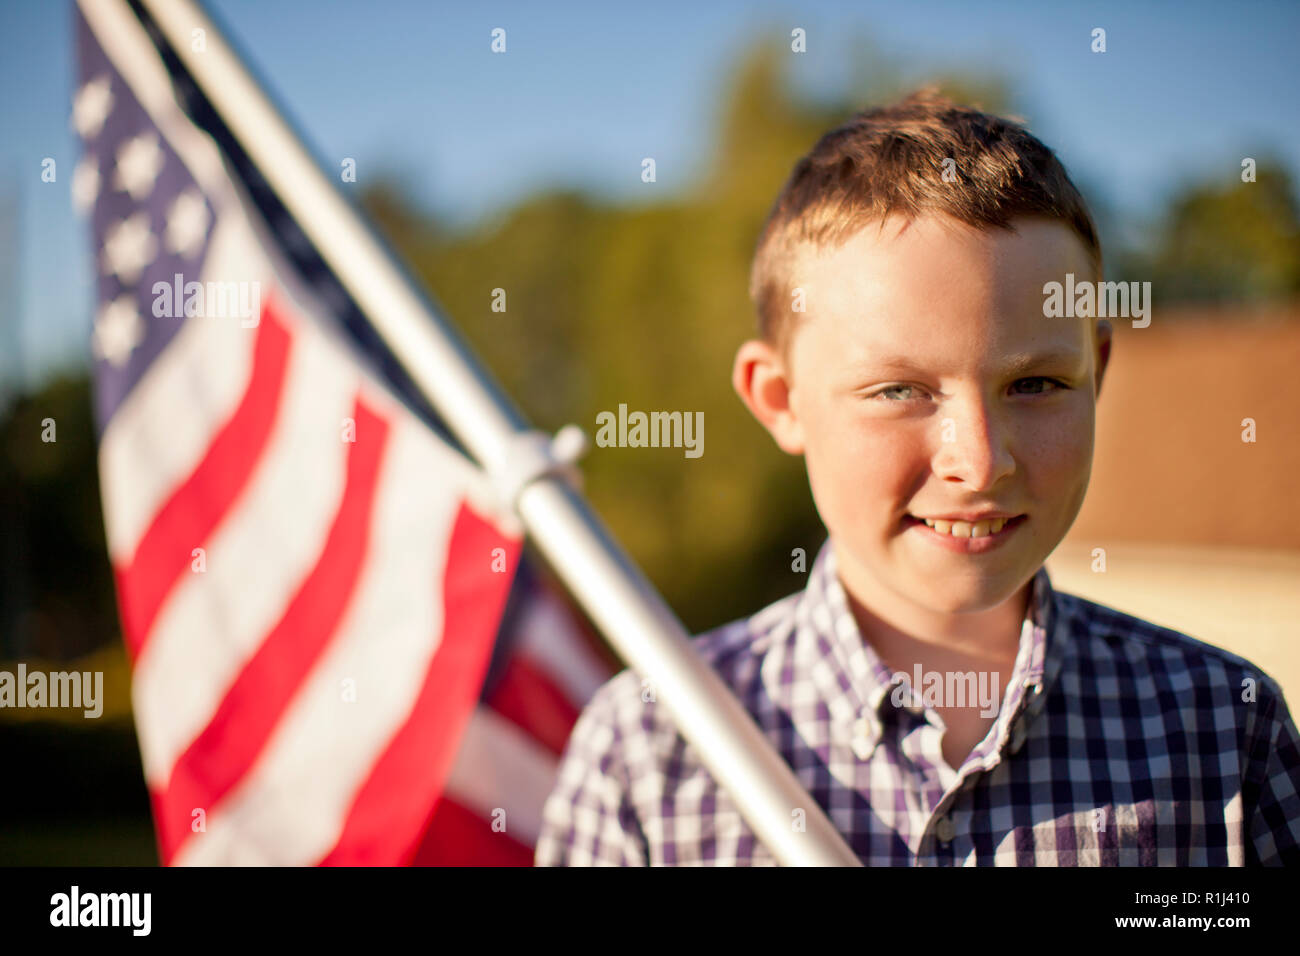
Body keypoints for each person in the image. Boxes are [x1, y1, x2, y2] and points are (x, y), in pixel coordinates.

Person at [534, 89, 1300, 865]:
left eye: (1036, 384)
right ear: (781, 399)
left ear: (1096, 370)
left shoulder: (1222, 732)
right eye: (900, 391)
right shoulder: (647, 755)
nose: (980, 461)